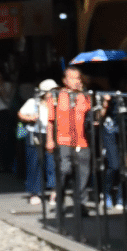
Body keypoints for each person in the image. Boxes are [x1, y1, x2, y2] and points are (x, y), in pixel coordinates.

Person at [46, 64, 94, 234]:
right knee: (64, 170)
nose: (75, 81)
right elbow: (50, 120)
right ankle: (59, 202)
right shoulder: (56, 96)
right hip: (63, 140)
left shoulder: (85, 96)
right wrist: (49, 140)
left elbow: (93, 118)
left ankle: (80, 205)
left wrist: (103, 107)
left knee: (83, 174)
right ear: (65, 80)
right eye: (72, 78)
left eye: (77, 78)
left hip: (82, 141)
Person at [0, 67, 18, 177]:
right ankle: (5, 164)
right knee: (2, 140)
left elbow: (7, 98)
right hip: (0, 113)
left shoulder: (7, 85)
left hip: (7, 113)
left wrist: (0, 85)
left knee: (8, 138)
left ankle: (10, 164)